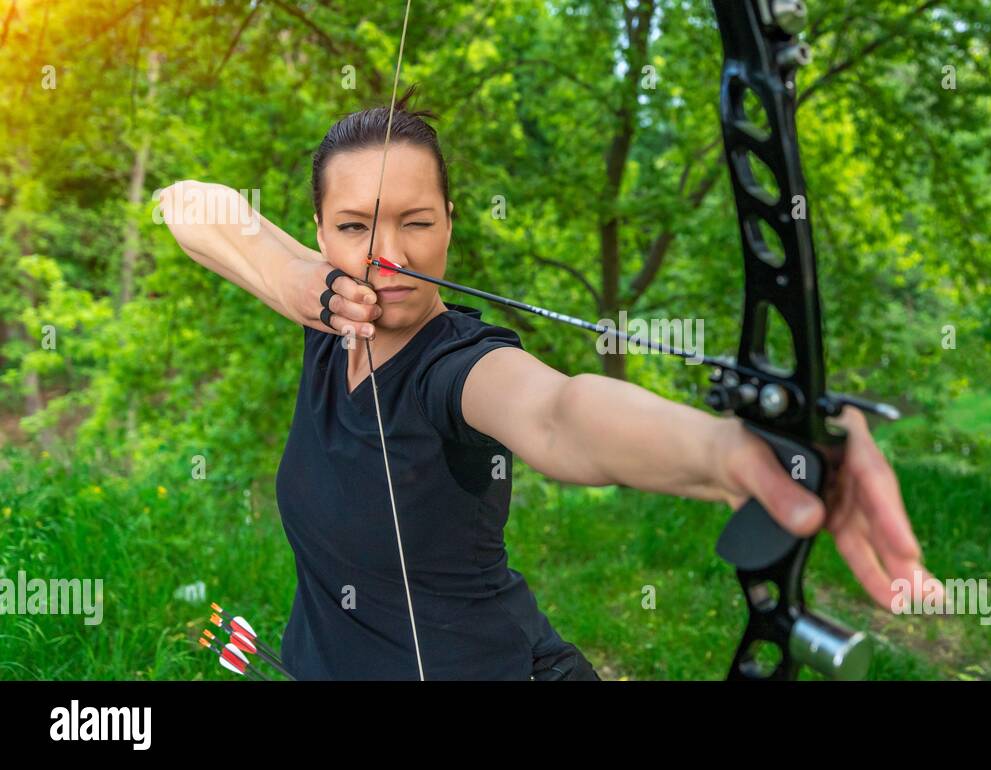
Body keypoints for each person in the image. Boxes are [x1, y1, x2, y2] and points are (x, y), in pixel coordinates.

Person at [160, 90, 935, 681]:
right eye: (356, 226)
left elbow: (561, 414)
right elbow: (184, 203)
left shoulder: (454, 365)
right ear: (321, 229)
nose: (386, 257)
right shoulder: (327, 321)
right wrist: (300, 280)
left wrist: (732, 451)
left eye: (416, 221)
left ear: (452, 223)